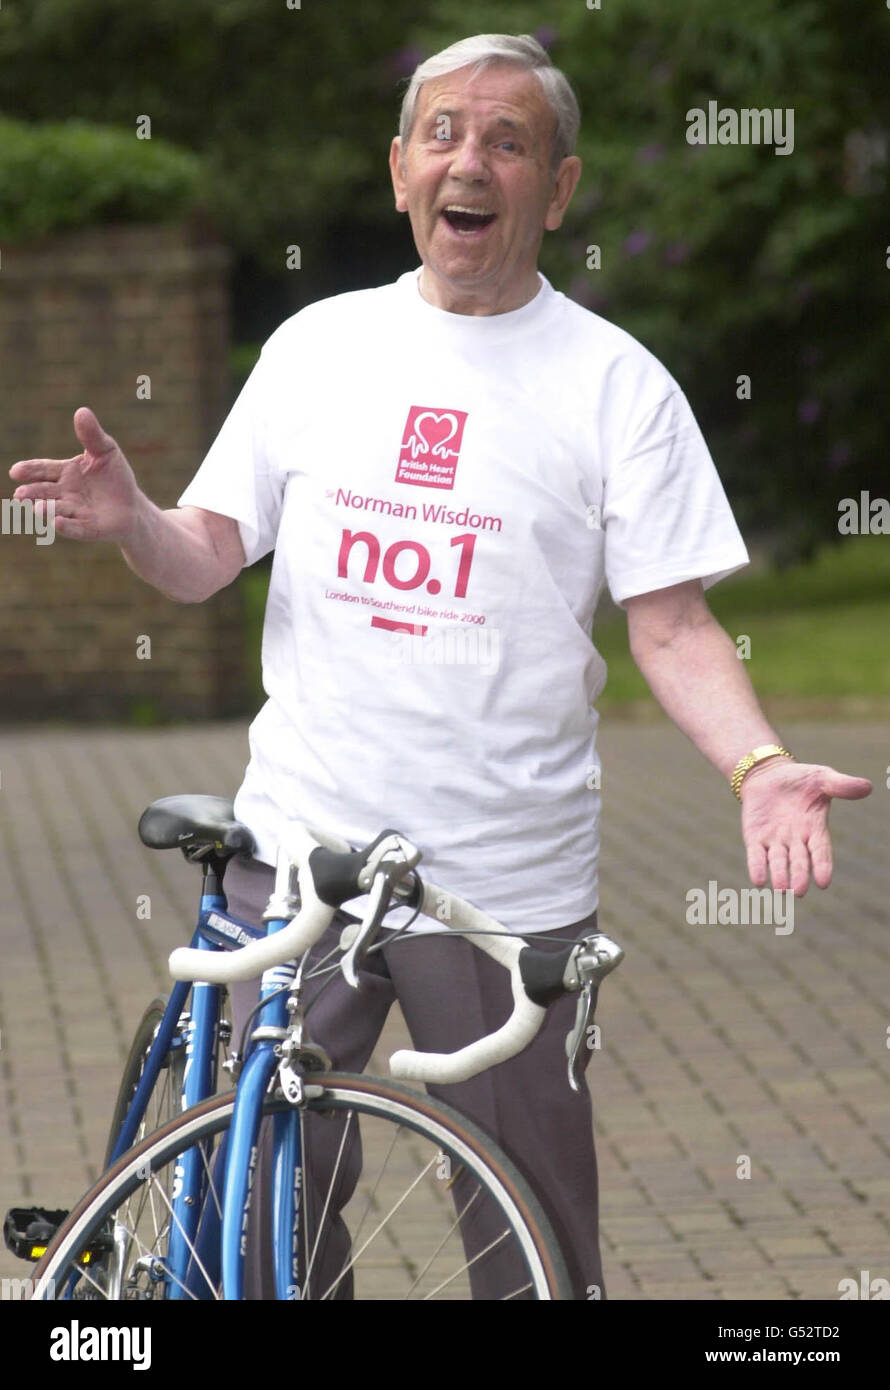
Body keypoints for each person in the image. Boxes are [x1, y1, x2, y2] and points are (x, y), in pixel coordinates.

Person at [9, 34, 871, 1300]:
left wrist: (756, 765)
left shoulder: (616, 388)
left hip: (501, 883)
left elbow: (675, 624)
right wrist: (137, 521)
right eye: (444, 134)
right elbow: (205, 555)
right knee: (258, 1215)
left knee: (533, 1238)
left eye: (507, 141)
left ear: (557, 189)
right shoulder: (316, 348)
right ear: (401, 171)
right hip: (300, 853)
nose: (471, 161)